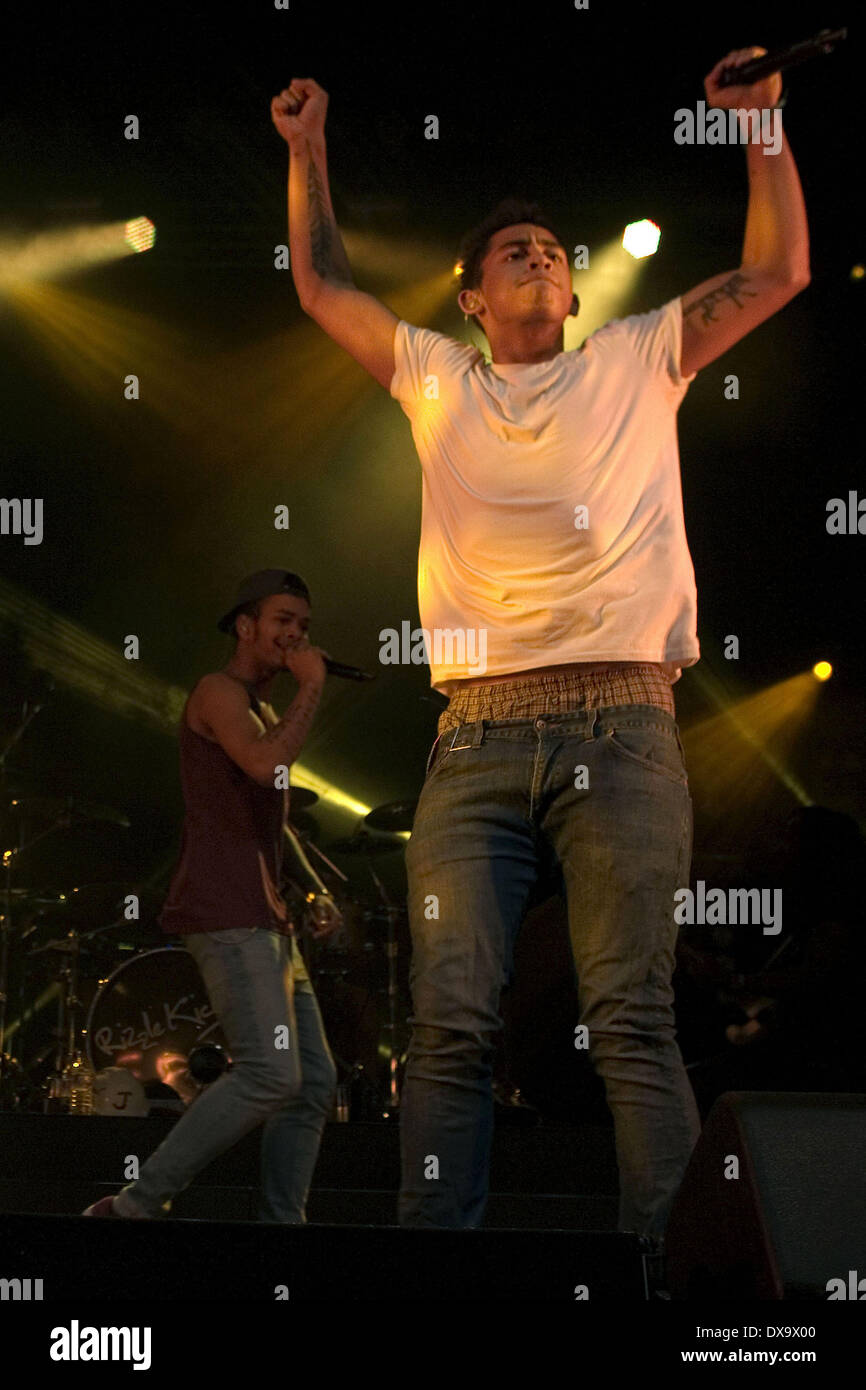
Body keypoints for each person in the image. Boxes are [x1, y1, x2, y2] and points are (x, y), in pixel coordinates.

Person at [270, 49, 810, 1238]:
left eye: (555, 252)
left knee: (629, 1013)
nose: (542, 255)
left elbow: (774, 271)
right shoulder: (434, 377)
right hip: (473, 736)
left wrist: (759, 129)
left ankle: (667, 1277)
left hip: (621, 719)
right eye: (514, 249)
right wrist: (306, 150)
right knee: (448, 1023)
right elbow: (320, 288)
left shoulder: (635, 356)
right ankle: (431, 1265)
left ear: (573, 296)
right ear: (470, 296)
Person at [83, 569, 341, 1222]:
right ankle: (135, 1204)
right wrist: (313, 684)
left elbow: (273, 817)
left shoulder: (264, 712)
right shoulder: (217, 693)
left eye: (305, 627)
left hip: (269, 921)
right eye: (284, 620)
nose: (296, 634)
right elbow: (264, 765)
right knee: (270, 1072)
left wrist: (310, 890)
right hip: (227, 913)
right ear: (245, 626)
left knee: (311, 1084)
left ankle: (282, 1228)